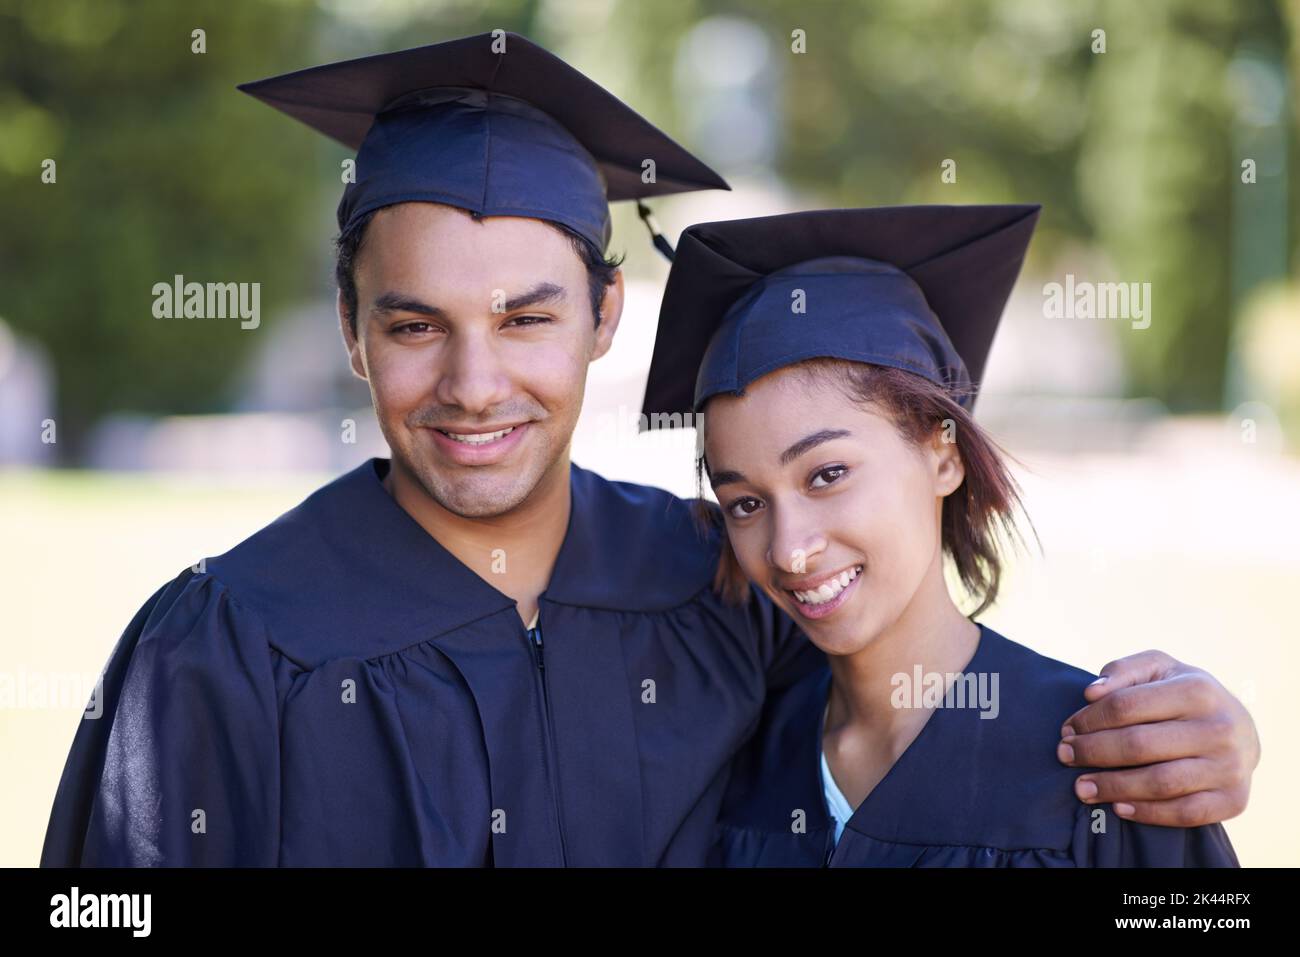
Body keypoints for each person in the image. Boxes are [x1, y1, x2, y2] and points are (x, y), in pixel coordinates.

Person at [41, 34, 1258, 867]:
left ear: (604, 319)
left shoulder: (715, 590)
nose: (475, 387)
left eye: (527, 318)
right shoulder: (225, 644)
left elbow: (920, 705)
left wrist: (1208, 734)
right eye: (415, 326)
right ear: (354, 330)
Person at [639, 205, 1240, 866]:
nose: (789, 548)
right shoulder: (743, 761)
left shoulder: (1103, 764)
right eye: (745, 502)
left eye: (827, 474)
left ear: (943, 453)